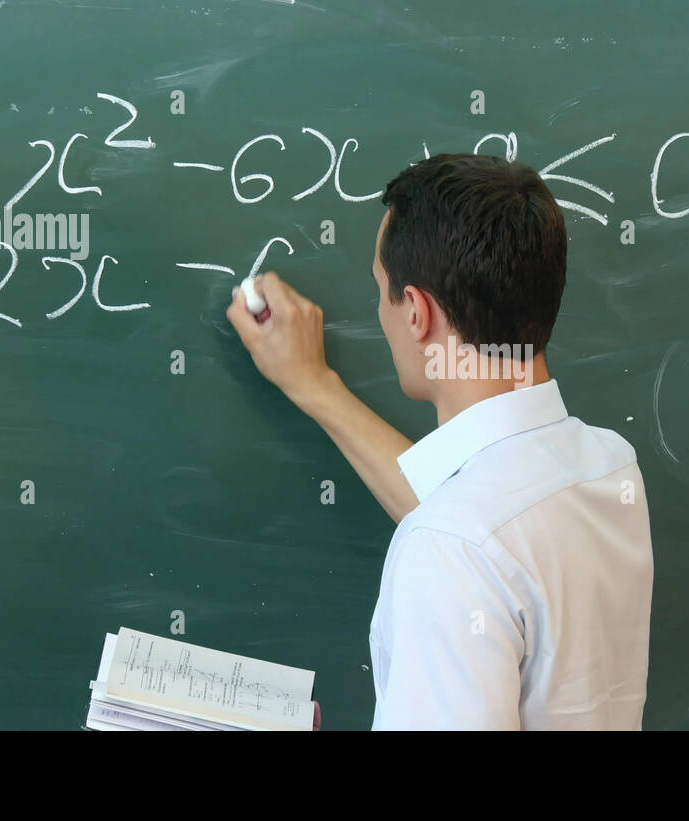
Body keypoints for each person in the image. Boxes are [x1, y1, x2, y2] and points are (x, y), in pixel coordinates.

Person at [226, 153, 653, 730]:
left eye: (383, 291)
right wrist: (315, 385)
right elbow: (487, 526)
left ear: (417, 313)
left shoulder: (452, 548)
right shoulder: (606, 467)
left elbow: (467, 541)